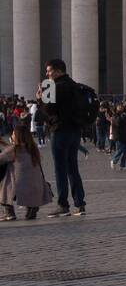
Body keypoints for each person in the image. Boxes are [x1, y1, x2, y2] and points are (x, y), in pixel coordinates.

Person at [37, 59, 87, 217]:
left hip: (60, 131)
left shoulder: (54, 86)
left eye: (49, 71)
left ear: (58, 71)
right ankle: (79, 204)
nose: (47, 74)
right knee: (73, 168)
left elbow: (48, 111)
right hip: (75, 131)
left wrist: (40, 97)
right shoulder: (75, 86)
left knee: (60, 169)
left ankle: (62, 204)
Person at [0, 122, 52, 220]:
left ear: (17, 136)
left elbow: (2, 158)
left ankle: (9, 212)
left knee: (5, 180)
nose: (11, 135)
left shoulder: (13, 150)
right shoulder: (33, 149)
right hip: (36, 187)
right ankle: (31, 208)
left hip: (18, 188)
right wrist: (4, 144)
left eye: (13, 134)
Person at [110, 103, 126, 171]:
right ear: (116, 108)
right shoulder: (114, 115)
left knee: (125, 151)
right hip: (118, 136)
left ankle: (122, 165)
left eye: (121, 107)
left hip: (125, 136)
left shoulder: (124, 115)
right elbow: (117, 123)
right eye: (119, 107)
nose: (121, 108)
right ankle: (114, 161)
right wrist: (122, 117)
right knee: (120, 150)